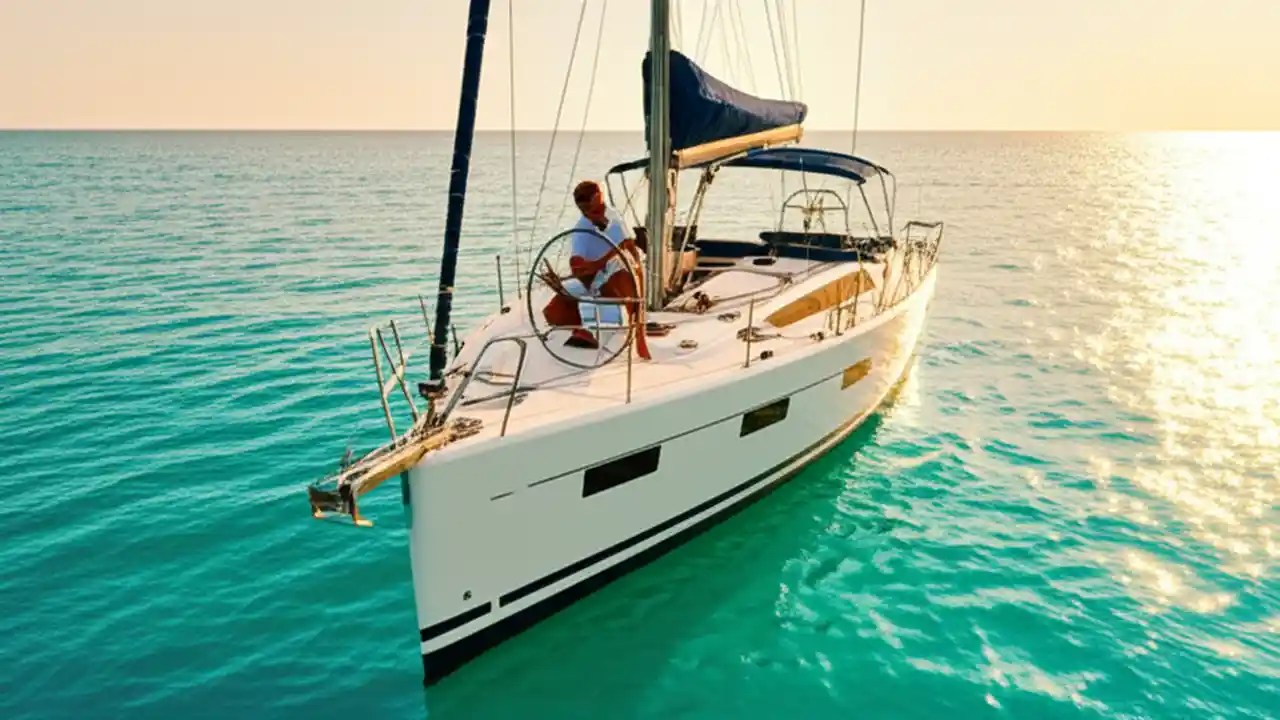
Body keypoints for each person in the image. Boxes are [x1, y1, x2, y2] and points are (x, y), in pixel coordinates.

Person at [542, 180, 651, 360]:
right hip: (594, 280)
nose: (600, 214)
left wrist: (632, 265)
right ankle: (582, 330)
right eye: (594, 211)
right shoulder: (582, 231)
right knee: (553, 312)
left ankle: (639, 335)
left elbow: (628, 246)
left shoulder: (613, 215)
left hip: (619, 272)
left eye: (601, 207)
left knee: (626, 276)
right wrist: (585, 271)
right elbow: (577, 266)